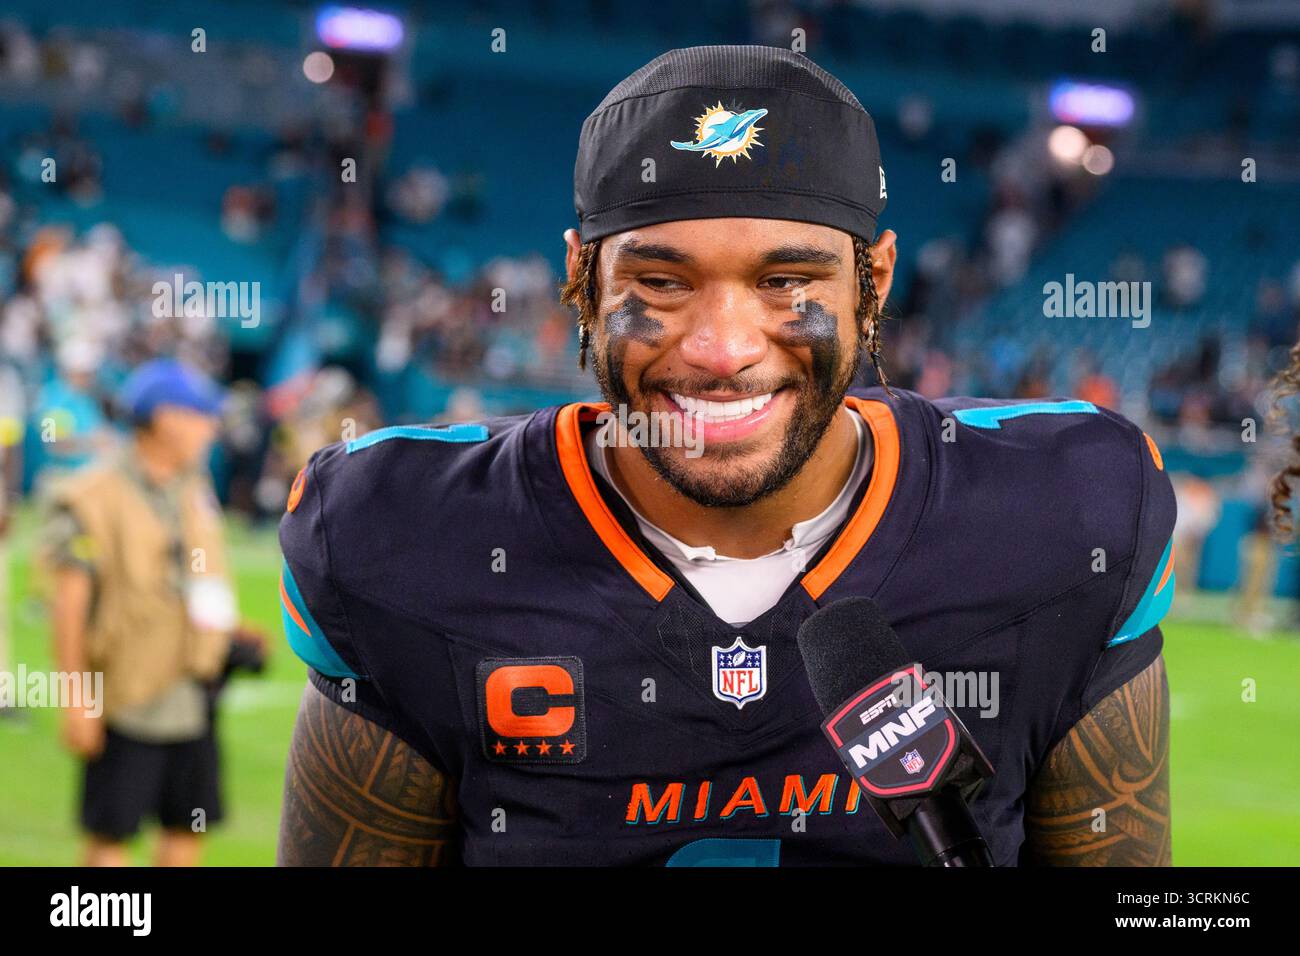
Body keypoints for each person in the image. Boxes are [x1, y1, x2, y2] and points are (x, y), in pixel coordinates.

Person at [277, 47, 1175, 866]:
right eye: (660, 284)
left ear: (876, 283)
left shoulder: (1065, 519)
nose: (721, 350)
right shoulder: (404, 535)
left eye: (786, 282)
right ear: (582, 281)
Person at [44, 358, 259, 866]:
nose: (211, 427)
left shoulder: (192, 487)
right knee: (111, 836)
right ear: (165, 419)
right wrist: (78, 700)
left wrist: (229, 630)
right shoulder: (92, 496)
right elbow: (69, 607)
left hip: (194, 688)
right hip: (126, 694)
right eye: (202, 414)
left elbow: (195, 579)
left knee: (187, 826)